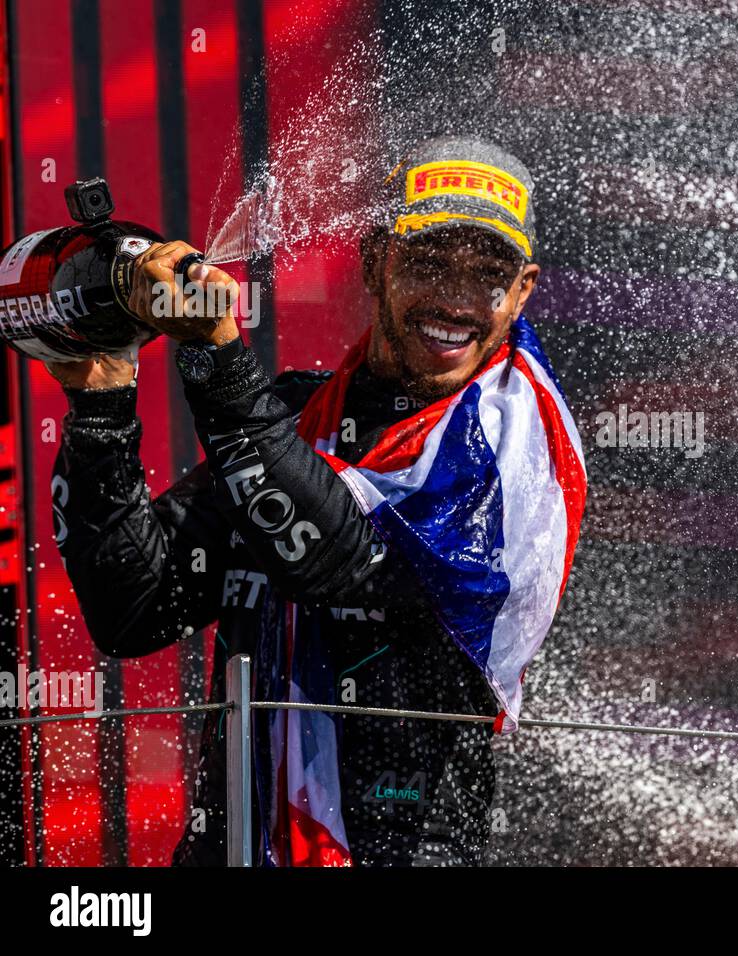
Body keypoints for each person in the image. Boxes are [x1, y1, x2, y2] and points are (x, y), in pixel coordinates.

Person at [45, 136, 586, 866]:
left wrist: (217, 357)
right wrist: (101, 406)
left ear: (523, 290)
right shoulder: (295, 420)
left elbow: (334, 559)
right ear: (375, 261)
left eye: (487, 275)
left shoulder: (514, 454)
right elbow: (135, 610)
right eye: (427, 262)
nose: (456, 301)